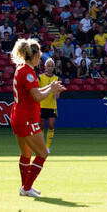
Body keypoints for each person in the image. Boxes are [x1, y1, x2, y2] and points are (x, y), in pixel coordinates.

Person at [10, 38, 66, 198]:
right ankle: (27, 187)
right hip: (26, 117)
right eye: (39, 54)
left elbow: (34, 91)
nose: (40, 57)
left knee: (26, 153)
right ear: (33, 55)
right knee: (42, 153)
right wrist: (51, 89)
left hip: (19, 115)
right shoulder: (27, 73)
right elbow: (36, 96)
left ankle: (25, 187)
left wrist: (51, 86)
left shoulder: (22, 68)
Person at [38, 58, 61, 153]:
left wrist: (56, 92)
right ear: (45, 67)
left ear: (54, 67)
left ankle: (47, 147)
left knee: (51, 125)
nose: (50, 67)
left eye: (51, 66)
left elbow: (57, 96)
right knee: (41, 126)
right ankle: (41, 146)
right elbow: (37, 91)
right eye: (48, 65)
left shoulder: (56, 78)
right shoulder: (40, 77)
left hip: (52, 106)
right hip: (41, 105)